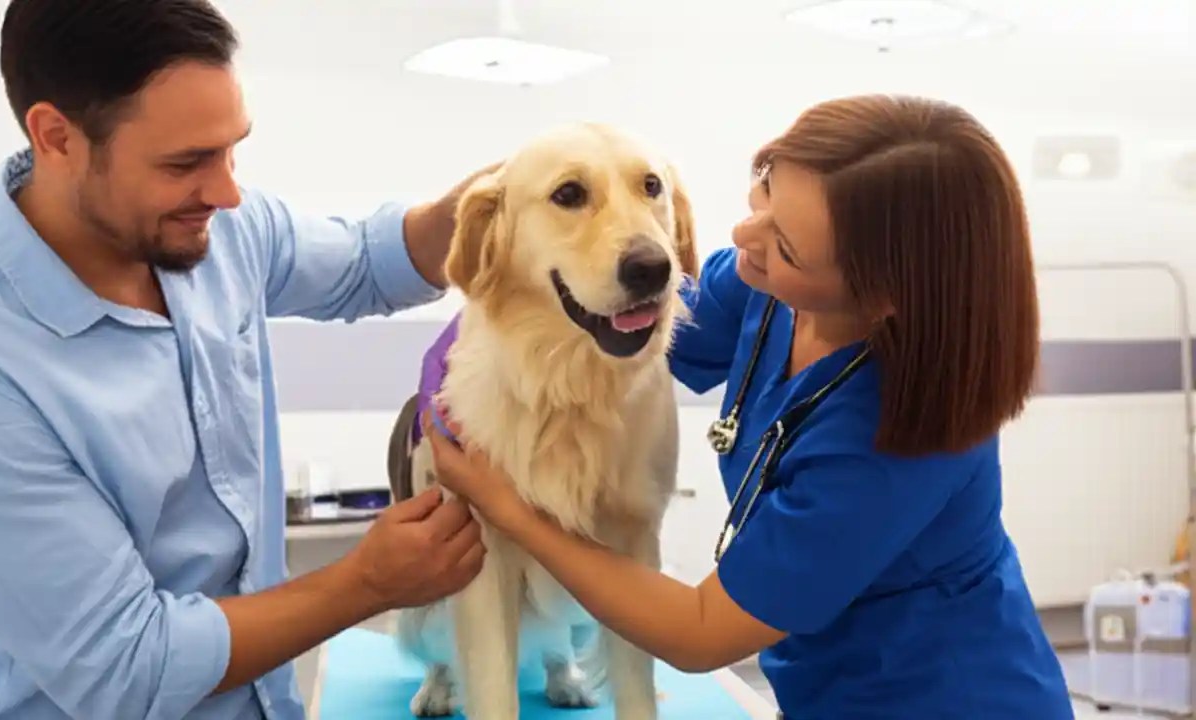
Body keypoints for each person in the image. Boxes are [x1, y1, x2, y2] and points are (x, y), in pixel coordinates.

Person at [0, 1, 492, 719]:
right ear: (56, 136)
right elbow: (129, 667)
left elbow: (372, 262)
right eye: (185, 162)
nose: (227, 191)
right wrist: (367, 583)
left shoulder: (217, 228)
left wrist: (495, 206)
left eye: (231, 148)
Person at [422, 94, 1077, 719]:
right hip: (821, 693)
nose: (743, 233)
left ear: (882, 297)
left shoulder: (895, 441)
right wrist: (481, 339)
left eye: (785, 243)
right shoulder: (765, 288)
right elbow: (630, 332)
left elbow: (701, 633)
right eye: (765, 191)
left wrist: (511, 512)